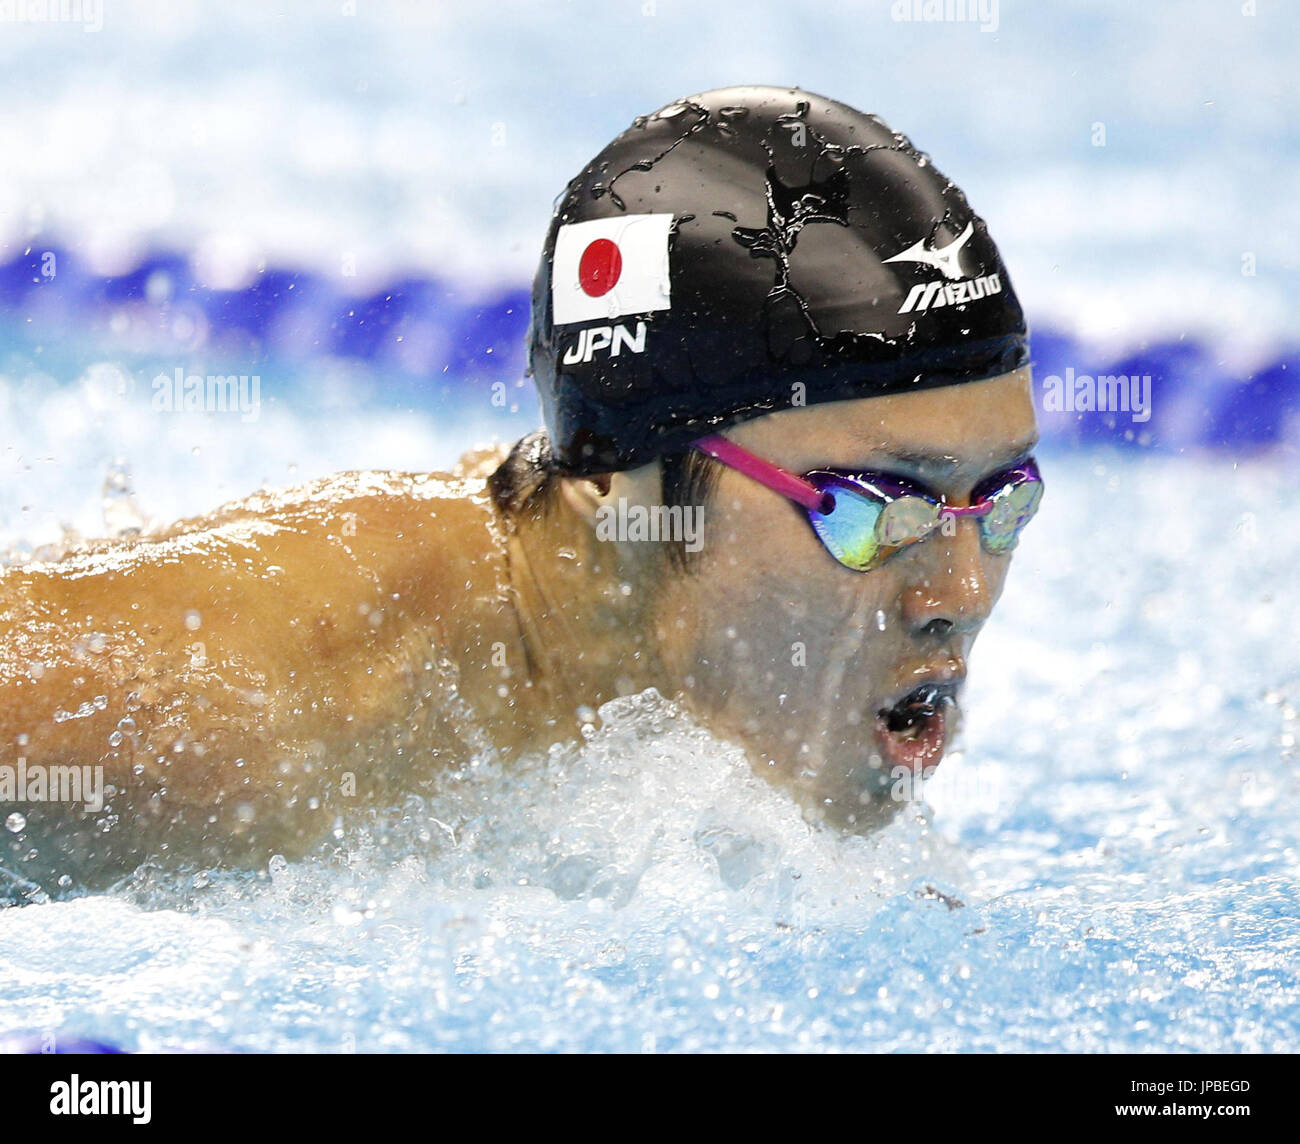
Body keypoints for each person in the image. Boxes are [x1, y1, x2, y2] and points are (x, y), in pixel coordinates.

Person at [0, 85, 1041, 891]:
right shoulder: (243, 709)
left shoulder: (684, 754)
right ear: (627, 488)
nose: (956, 590)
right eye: (873, 509)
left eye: (1000, 503)